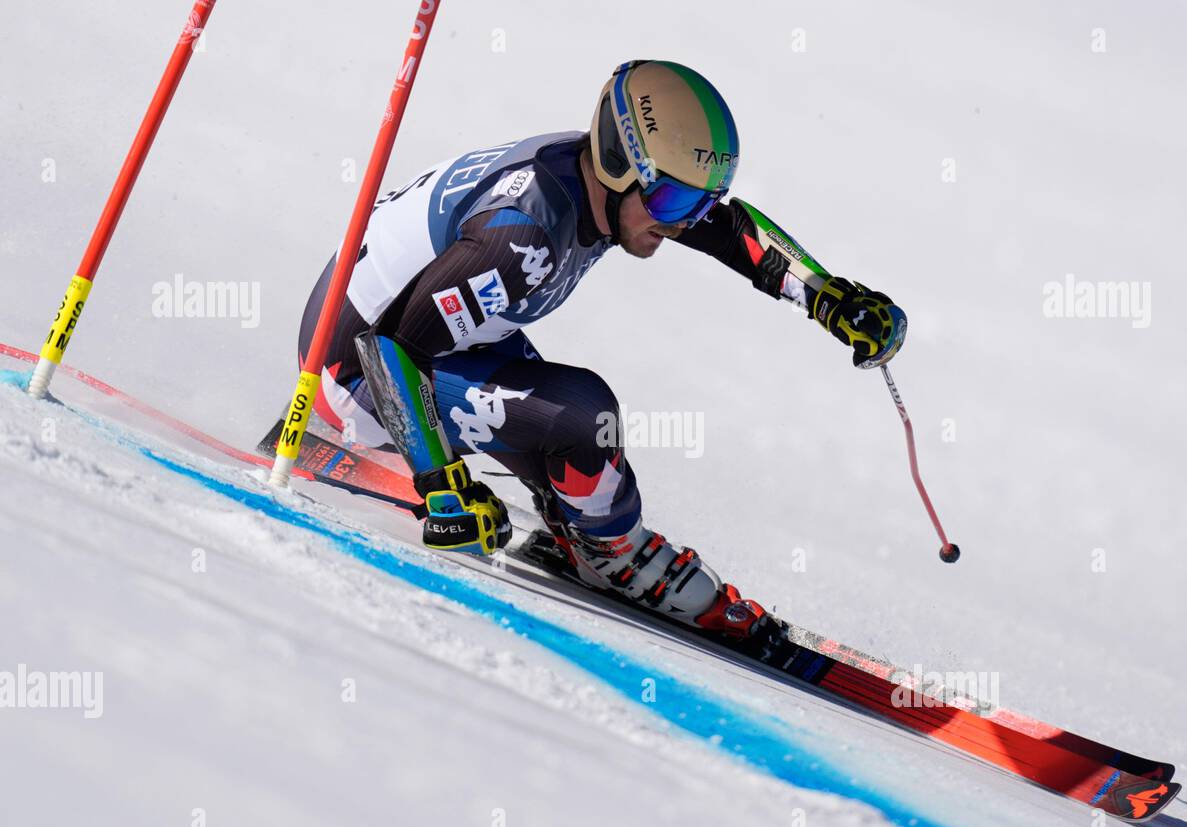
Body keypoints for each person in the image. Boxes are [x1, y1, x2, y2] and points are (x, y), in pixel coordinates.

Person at [297, 59, 906, 636]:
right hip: (354, 374)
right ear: (620, 164)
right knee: (584, 417)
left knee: (577, 452)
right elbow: (388, 348)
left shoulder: (600, 186)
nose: (679, 224)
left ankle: (586, 530)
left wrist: (827, 296)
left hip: (438, 341)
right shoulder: (521, 236)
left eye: (697, 203)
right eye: (670, 201)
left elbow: (730, 230)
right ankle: (609, 551)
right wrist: (441, 485)